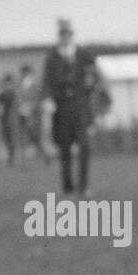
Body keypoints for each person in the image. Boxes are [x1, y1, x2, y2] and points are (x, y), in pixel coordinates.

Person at [41, 19, 109, 194]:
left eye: (67, 34)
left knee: (84, 146)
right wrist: (48, 99)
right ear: (59, 37)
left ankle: (84, 185)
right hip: (61, 109)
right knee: (64, 149)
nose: (65, 38)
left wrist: (93, 88)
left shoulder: (83, 55)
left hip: (81, 109)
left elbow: (97, 75)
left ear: (71, 36)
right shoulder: (52, 58)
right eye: (62, 35)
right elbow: (46, 82)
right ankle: (67, 187)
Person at [17, 63, 45, 159]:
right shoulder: (21, 85)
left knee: (34, 135)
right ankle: (24, 156)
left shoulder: (35, 85)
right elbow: (19, 98)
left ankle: (43, 155)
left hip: (33, 114)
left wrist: (30, 107)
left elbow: (38, 99)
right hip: (22, 113)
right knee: (24, 135)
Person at [0, 73, 19, 164]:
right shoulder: (3, 94)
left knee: (13, 138)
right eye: (7, 83)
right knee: (6, 138)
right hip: (5, 118)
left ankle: (12, 157)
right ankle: (10, 157)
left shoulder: (15, 93)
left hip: (14, 118)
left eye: (10, 83)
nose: (8, 85)